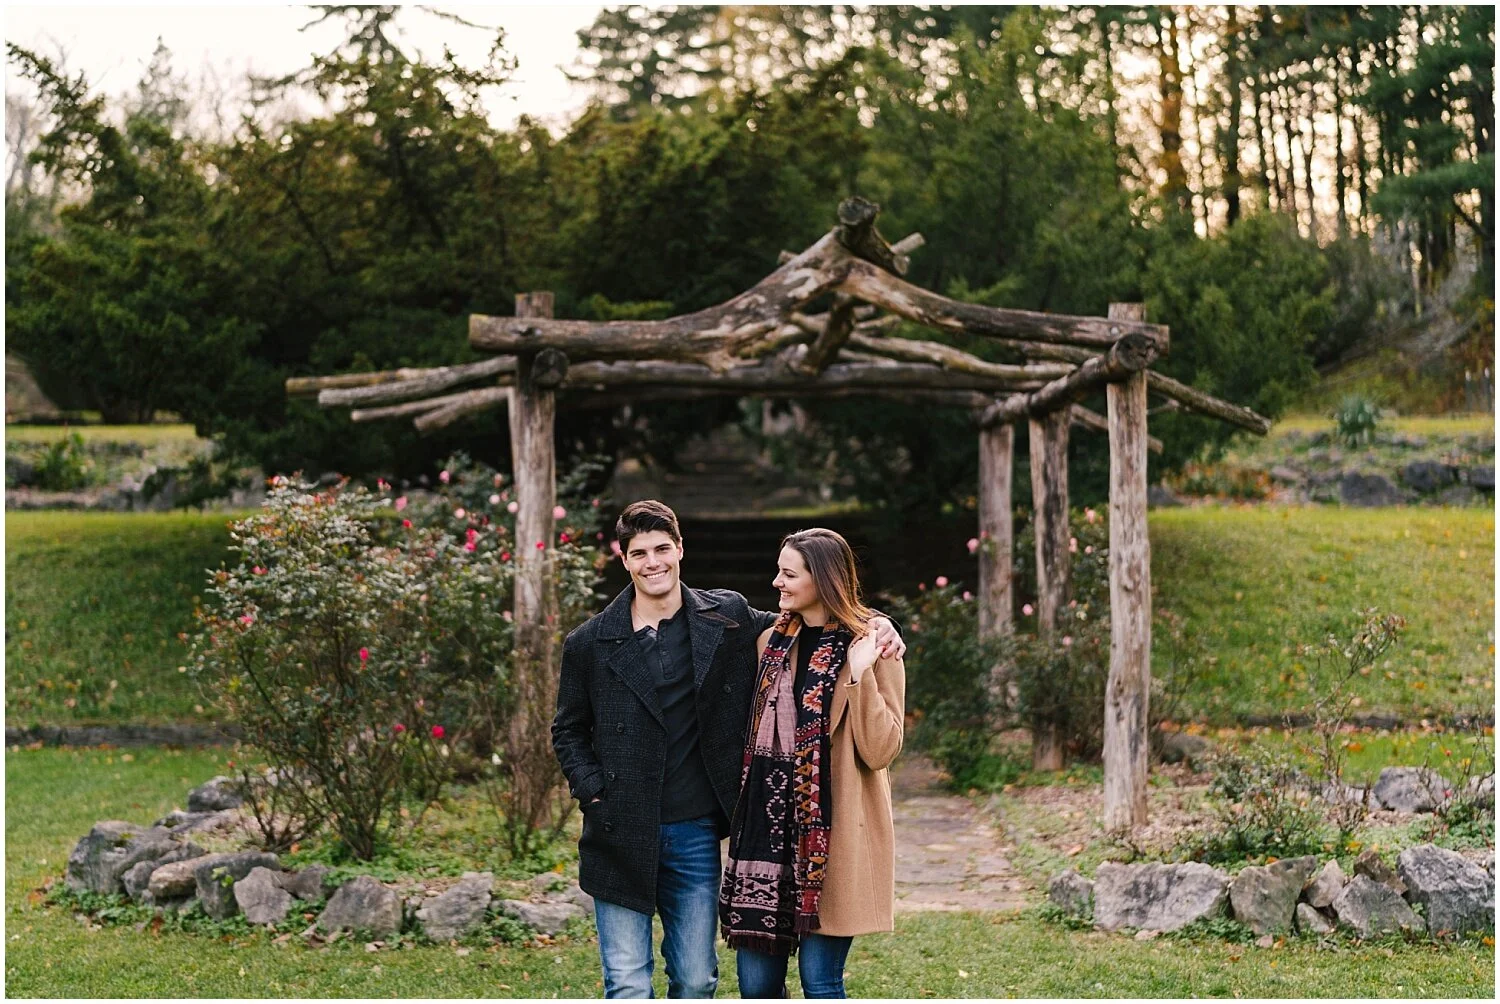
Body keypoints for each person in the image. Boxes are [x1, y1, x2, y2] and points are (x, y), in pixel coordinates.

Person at [552, 501, 905, 999]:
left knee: (698, 981)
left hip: (710, 830)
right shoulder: (592, 642)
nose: (652, 562)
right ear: (624, 560)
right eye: (639, 553)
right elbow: (566, 729)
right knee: (628, 982)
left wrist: (876, 631)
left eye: (662, 549)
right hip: (624, 827)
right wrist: (594, 793)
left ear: (679, 550)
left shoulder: (729, 619)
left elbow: (824, 625)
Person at [719, 528, 905, 999]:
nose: (776, 582)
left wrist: (860, 672)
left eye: (788, 573)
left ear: (821, 580)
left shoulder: (875, 648)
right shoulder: (770, 645)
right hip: (767, 844)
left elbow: (881, 749)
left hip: (834, 842)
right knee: (756, 987)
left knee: (820, 983)